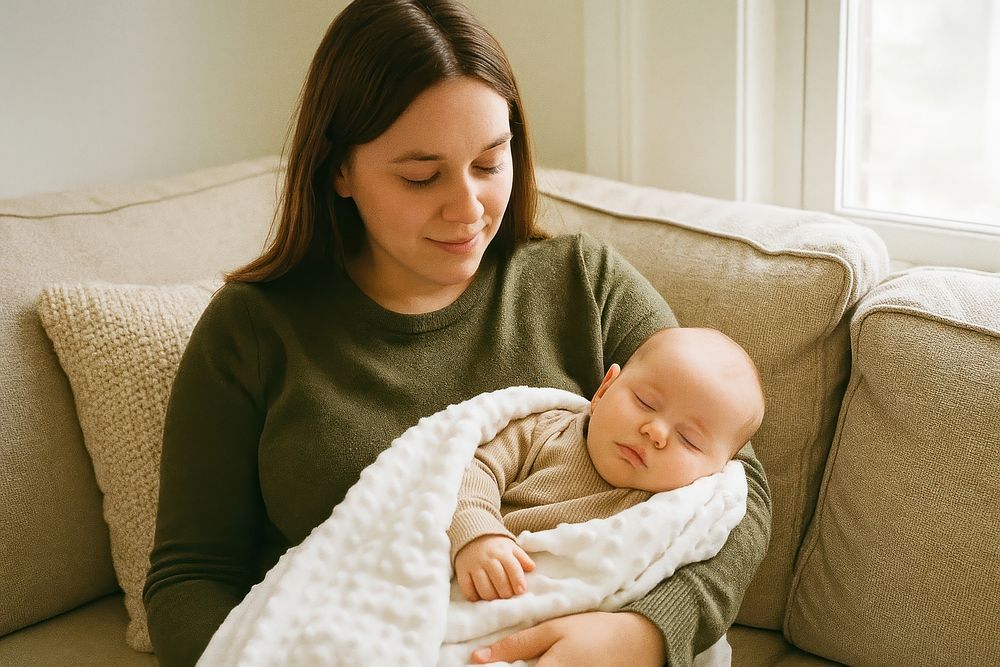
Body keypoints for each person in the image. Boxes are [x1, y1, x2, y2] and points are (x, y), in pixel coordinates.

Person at [142, 1, 772, 666]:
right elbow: (190, 576)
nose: (468, 208)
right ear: (339, 170)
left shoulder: (582, 283)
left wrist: (645, 633)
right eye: (421, 175)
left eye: (489, 162)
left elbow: (739, 489)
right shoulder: (252, 330)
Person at [450, 327, 765, 603]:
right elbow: (470, 468)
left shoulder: (676, 511)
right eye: (645, 402)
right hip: (480, 581)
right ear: (603, 390)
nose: (655, 432)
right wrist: (479, 532)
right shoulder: (543, 431)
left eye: (689, 439)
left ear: (716, 471)